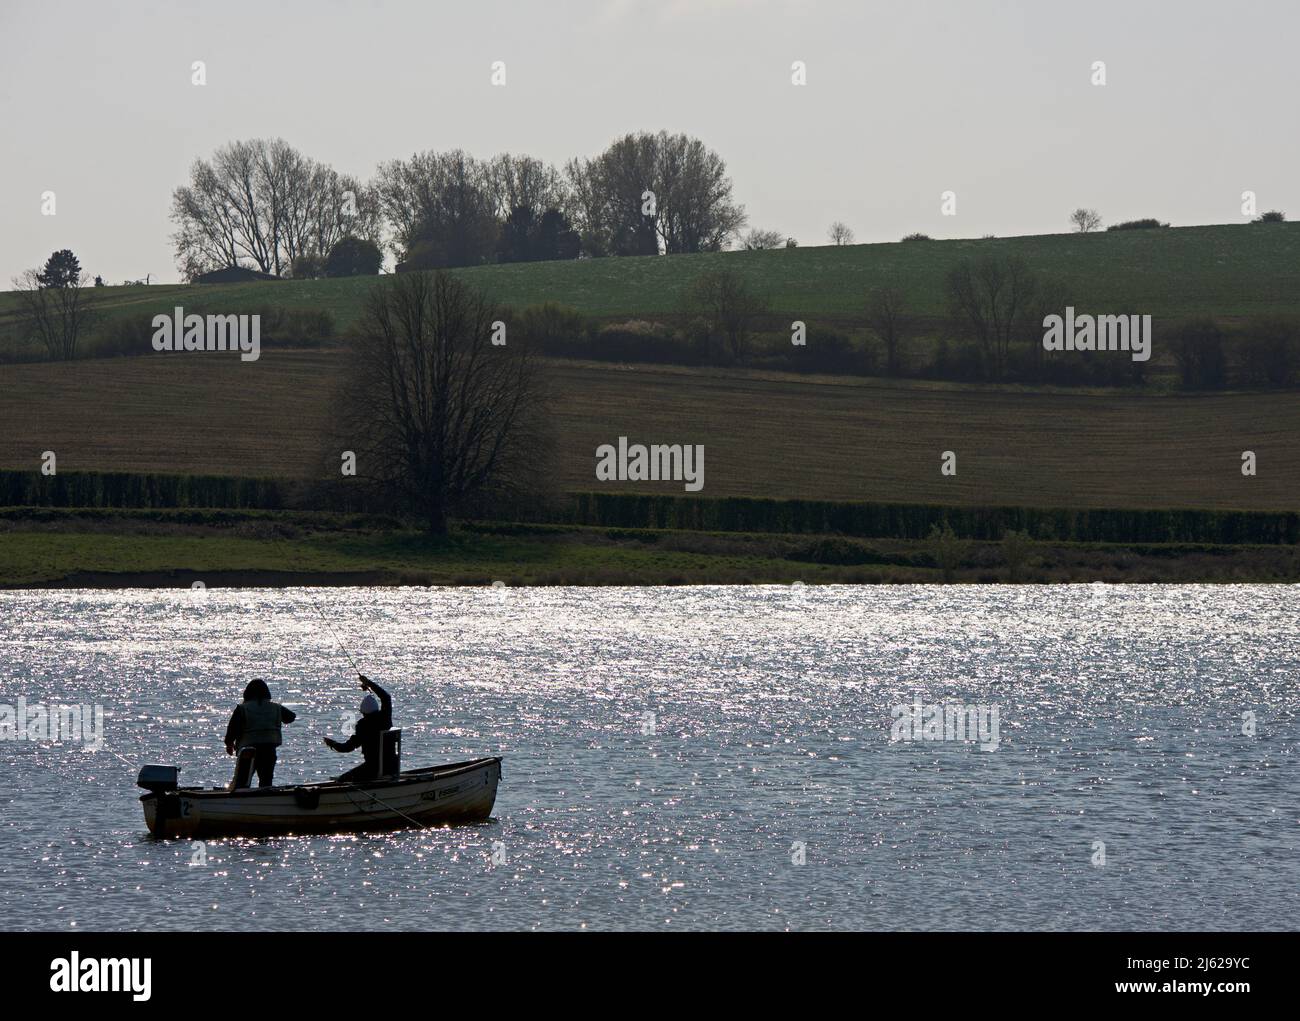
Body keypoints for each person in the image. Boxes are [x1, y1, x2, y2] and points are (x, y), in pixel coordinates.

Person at [224, 679, 297, 787]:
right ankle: (264, 800)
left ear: (247, 694)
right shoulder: (276, 707)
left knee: (242, 780)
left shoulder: (242, 709)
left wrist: (229, 744)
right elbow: (291, 717)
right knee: (266, 781)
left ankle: (239, 801)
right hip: (268, 749)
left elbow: (232, 729)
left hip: (247, 750)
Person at [323, 675, 393, 781]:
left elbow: (348, 747)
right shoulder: (385, 717)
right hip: (391, 765)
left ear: (363, 713)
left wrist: (333, 744)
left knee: (341, 780)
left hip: (373, 768)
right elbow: (386, 697)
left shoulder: (363, 726)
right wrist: (368, 682)